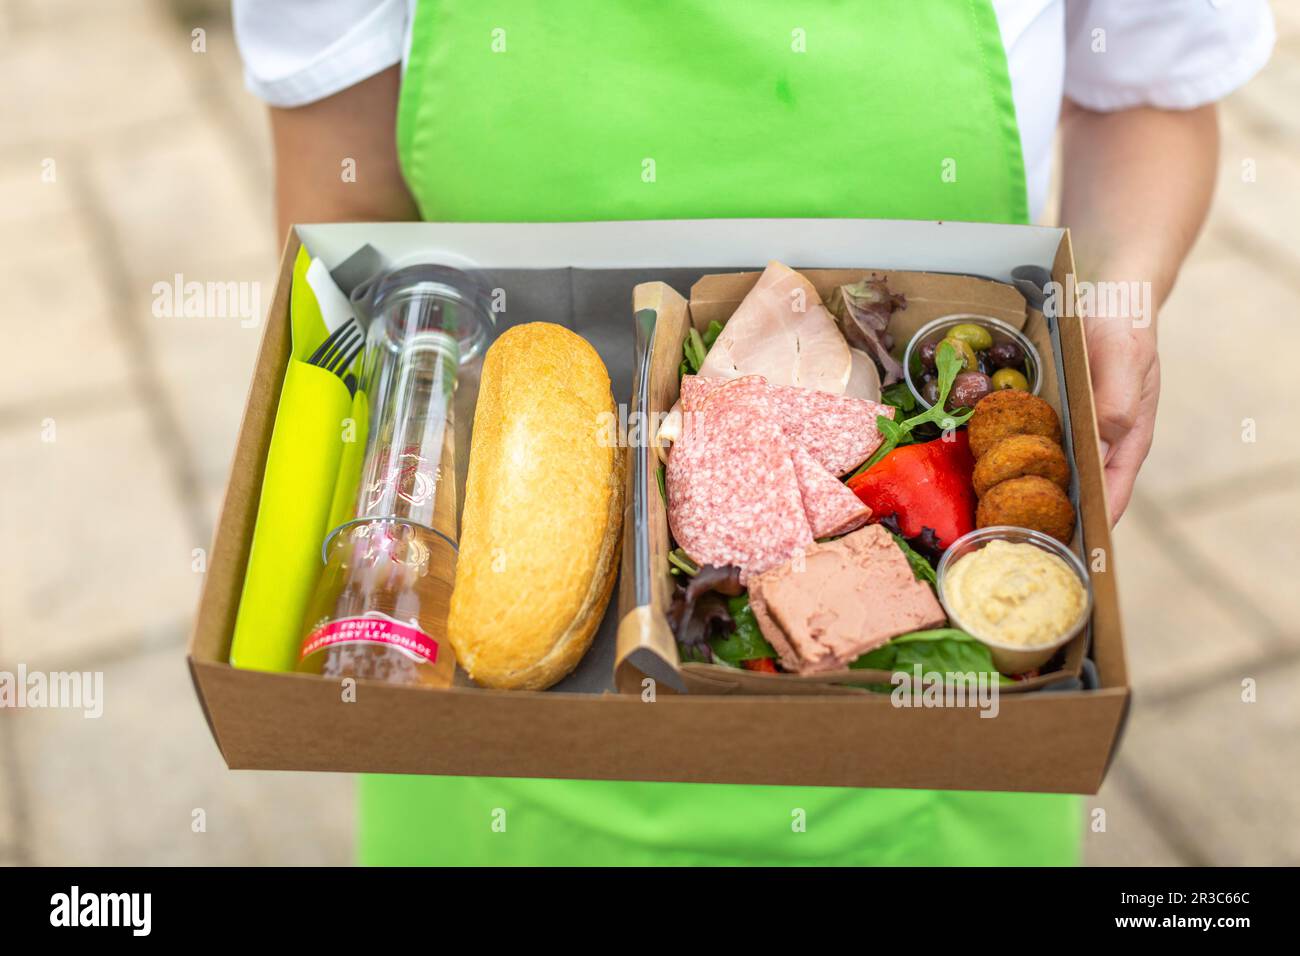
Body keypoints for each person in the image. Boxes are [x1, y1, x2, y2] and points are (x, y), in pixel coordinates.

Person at [233, 0, 1275, 865]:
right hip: (487, 770)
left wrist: (1121, 294)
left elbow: (1147, 100)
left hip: (941, 789)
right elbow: (345, 195)